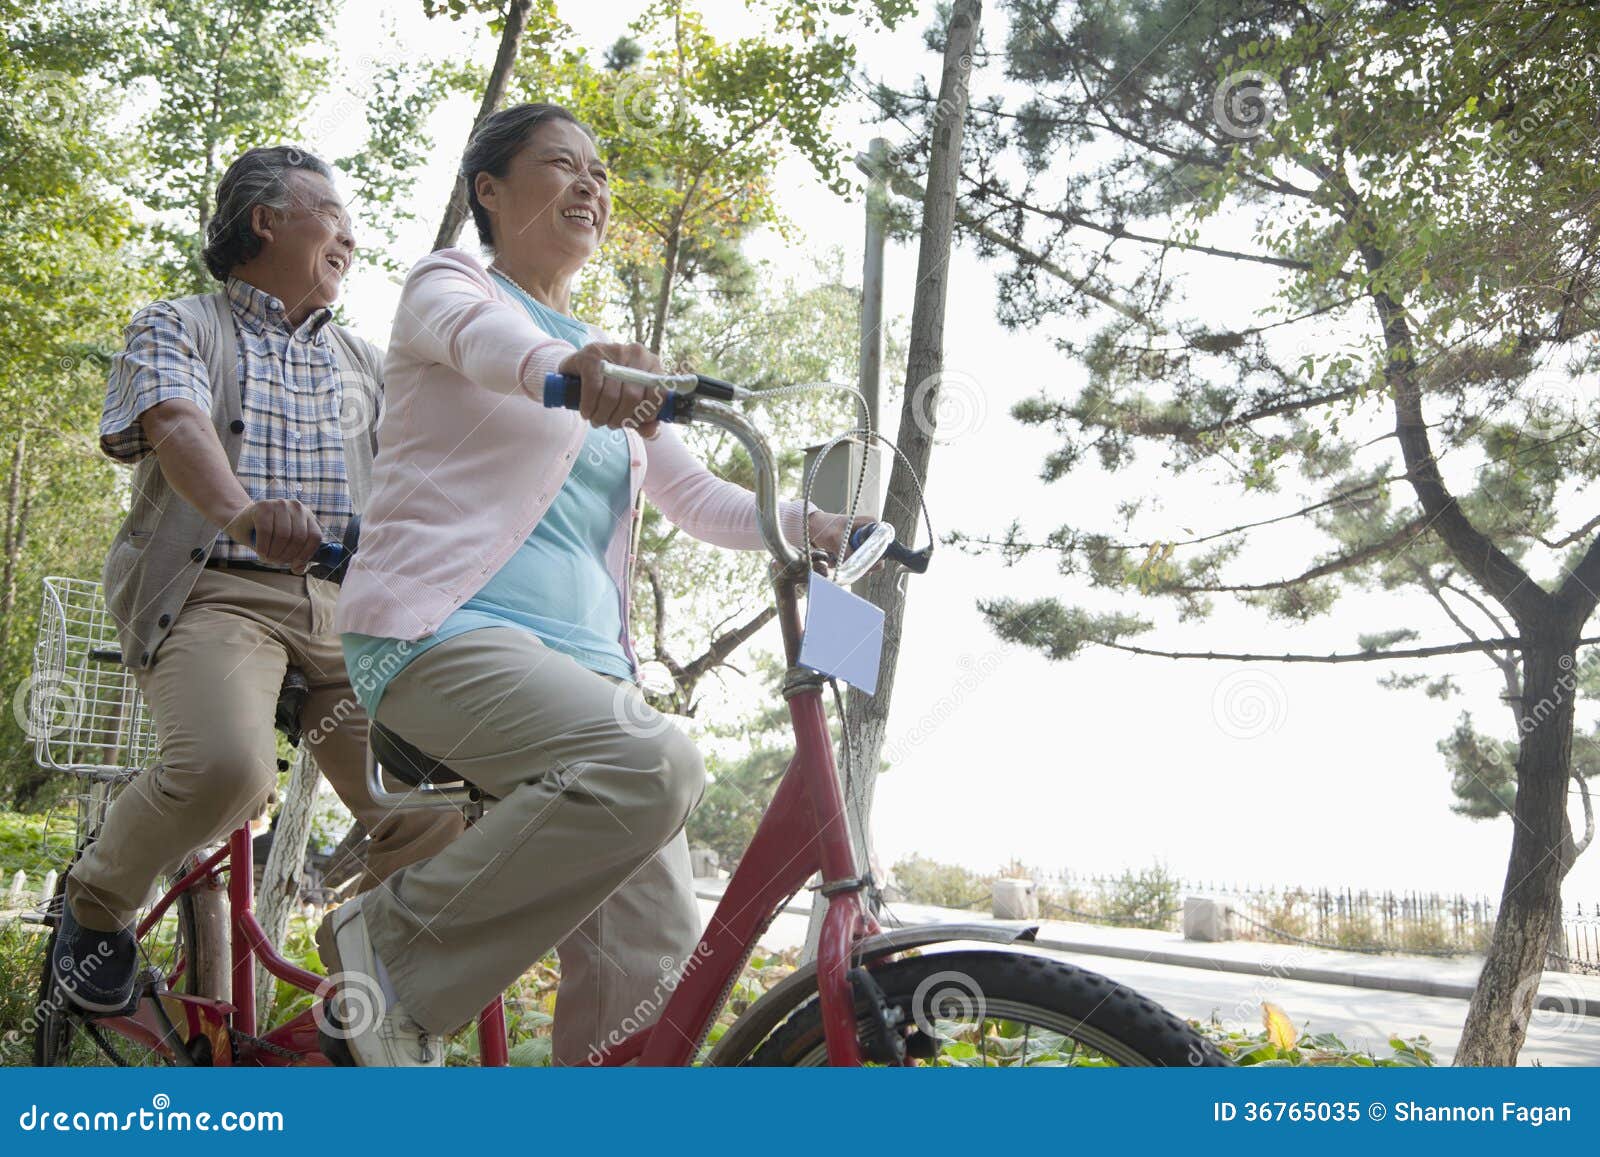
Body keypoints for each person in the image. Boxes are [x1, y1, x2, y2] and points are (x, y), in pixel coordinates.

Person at [319, 102, 870, 1066]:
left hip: (585, 678)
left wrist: (812, 524)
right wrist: (562, 368)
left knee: (650, 950)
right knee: (654, 763)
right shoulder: (453, 287)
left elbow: (704, 501)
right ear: (488, 191)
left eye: (602, 174)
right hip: (439, 637)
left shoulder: (615, 362)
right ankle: (389, 953)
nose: (591, 186)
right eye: (561, 165)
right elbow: (486, 345)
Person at [52, 146, 464, 1013]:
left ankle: (383, 987)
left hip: (347, 615)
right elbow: (175, 424)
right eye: (332, 212)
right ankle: (92, 904)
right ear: (265, 220)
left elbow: (427, 484)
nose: (351, 235)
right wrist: (244, 512)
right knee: (230, 771)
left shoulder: (364, 360)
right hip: (218, 593)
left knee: (434, 802)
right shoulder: (180, 324)